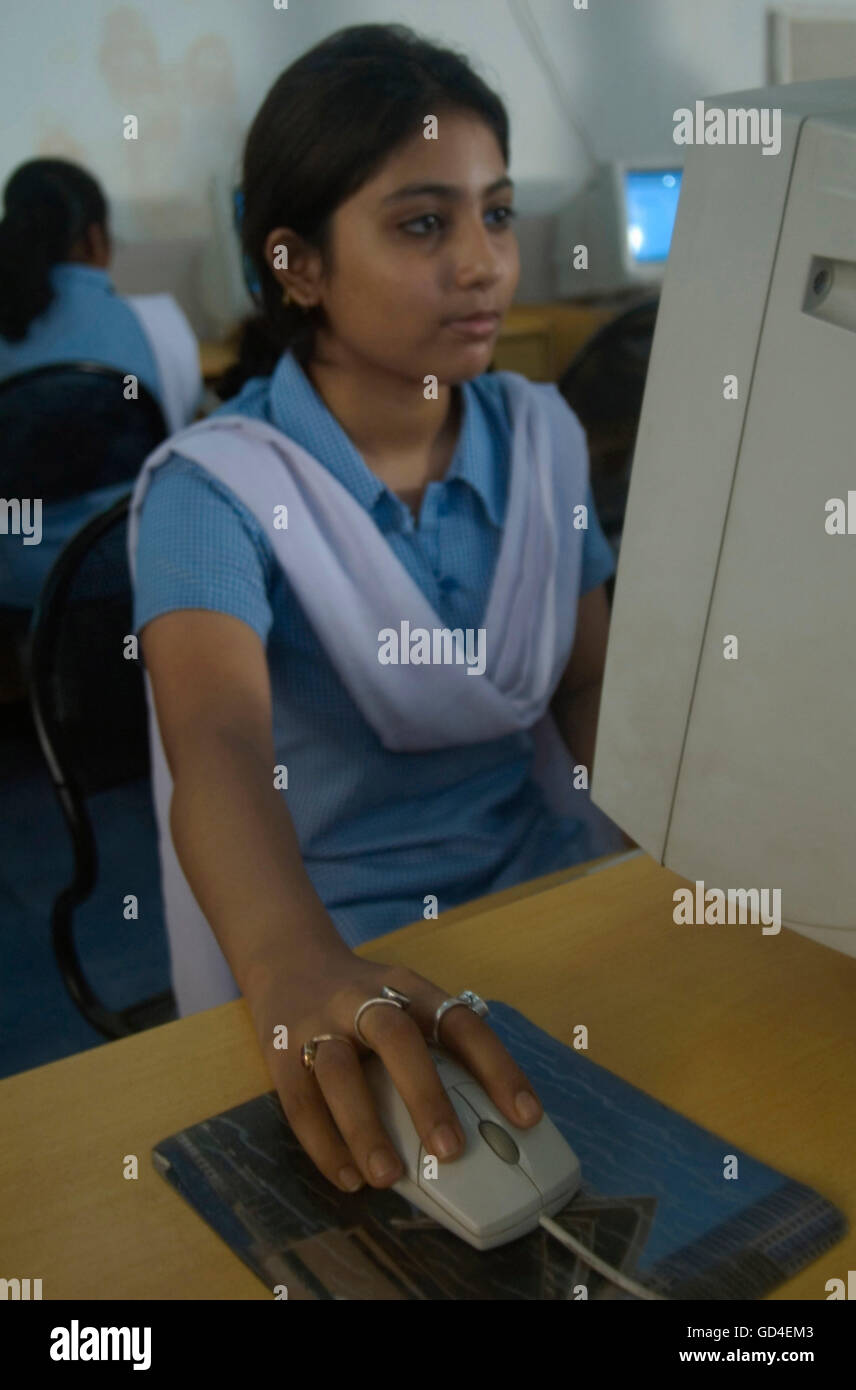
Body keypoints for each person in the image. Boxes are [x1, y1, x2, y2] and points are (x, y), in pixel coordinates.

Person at [129, 23, 625, 1199]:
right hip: (345, 952)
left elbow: (592, 684)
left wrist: (697, 859)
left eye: (496, 214)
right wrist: (293, 962)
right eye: (422, 225)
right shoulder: (216, 488)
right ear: (298, 265)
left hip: (554, 903)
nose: (483, 264)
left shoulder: (540, 442)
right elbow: (220, 743)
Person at [0, 158, 201, 610]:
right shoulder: (159, 325)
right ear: (95, 238)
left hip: (15, 584)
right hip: (136, 569)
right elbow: (179, 439)